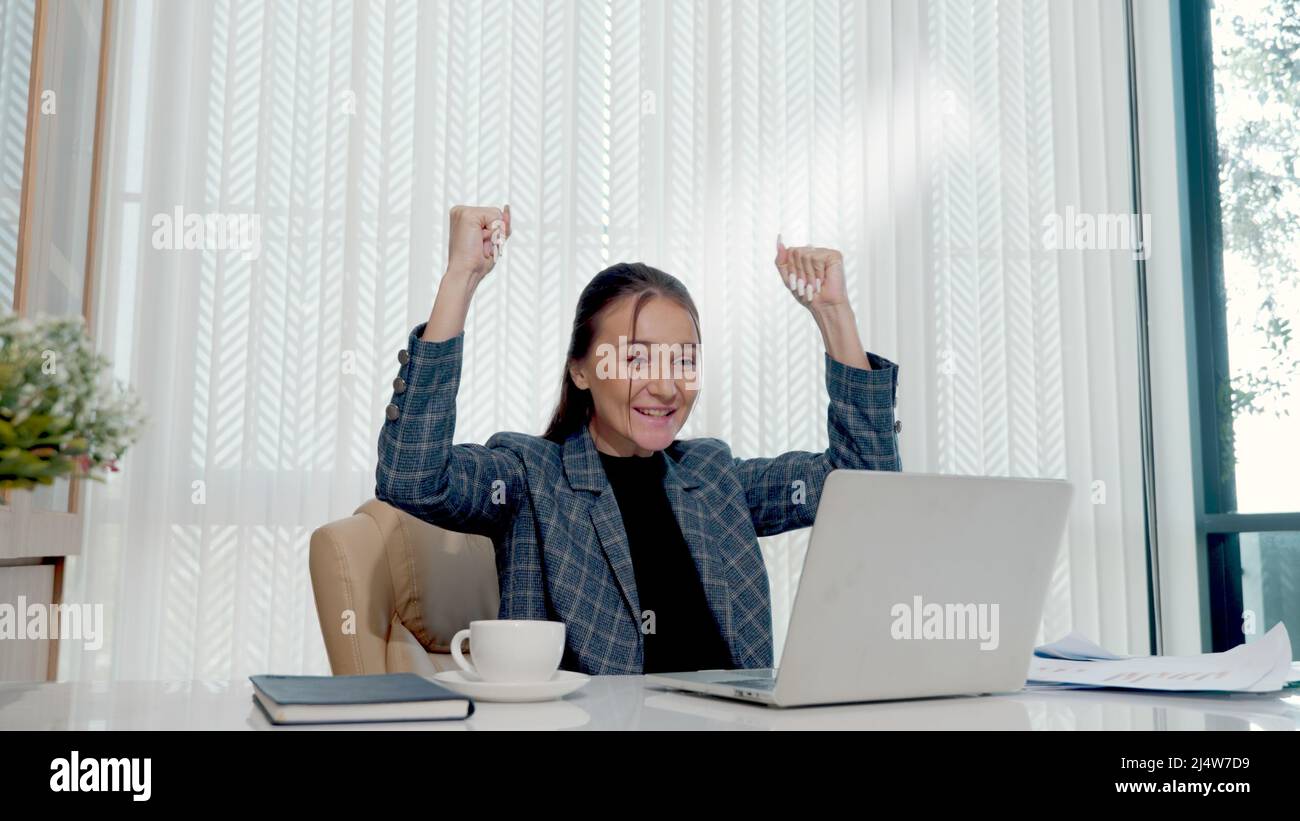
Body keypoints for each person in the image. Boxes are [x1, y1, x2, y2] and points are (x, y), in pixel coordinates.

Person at [376, 204, 901, 675]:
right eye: (635, 358)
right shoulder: (532, 478)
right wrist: (461, 277)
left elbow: (867, 485)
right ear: (581, 370)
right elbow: (411, 477)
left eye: (684, 360)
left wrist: (835, 316)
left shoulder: (713, 478)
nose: (667, 385)